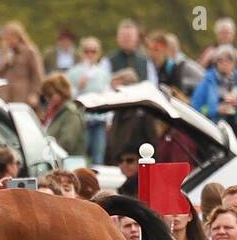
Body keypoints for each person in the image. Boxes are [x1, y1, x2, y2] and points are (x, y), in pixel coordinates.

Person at [191, 46, 237, 140]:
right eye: (220, 60)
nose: (225, 63)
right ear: (216, 63)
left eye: (229, 59)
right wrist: (216, 110)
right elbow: (196, 108)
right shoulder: (207, 82)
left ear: (234, 63)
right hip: (214, 131)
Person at [68, 36, 114, 164]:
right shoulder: (74, 72)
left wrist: (109, 119)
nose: (90, 54)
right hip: (81, 120)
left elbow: (108, 96)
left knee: (98, 157)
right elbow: (69, 96)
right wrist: (78, 87)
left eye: (93, 51)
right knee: (79, 156)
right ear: (81, 52)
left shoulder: (103, 73)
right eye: (87, 51)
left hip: (99, 119)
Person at [0, 21, 45, 107]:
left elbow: (37, 75)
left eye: (10, 37)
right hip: (6, 94)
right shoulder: (5, 52)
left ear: (18, 37)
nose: (8, 40)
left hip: (23, 94)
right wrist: (6, 61)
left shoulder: (29, 52)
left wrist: (35, 93)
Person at [40, 73, 87, 159]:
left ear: (62, 92)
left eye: (51, 95)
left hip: (68, 165)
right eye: (47, 95)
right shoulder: (51, 113)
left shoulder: (71, 114)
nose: (48, 99)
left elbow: (66, 145)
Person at [108, 19, 154, 84]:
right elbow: (101, 84)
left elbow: (153, 86)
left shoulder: (146, 62)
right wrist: (117, 76)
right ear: (117, 38)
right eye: (123, 36)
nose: (126, 39)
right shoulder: (108, 60)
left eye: (129, 36)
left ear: (137, 38)